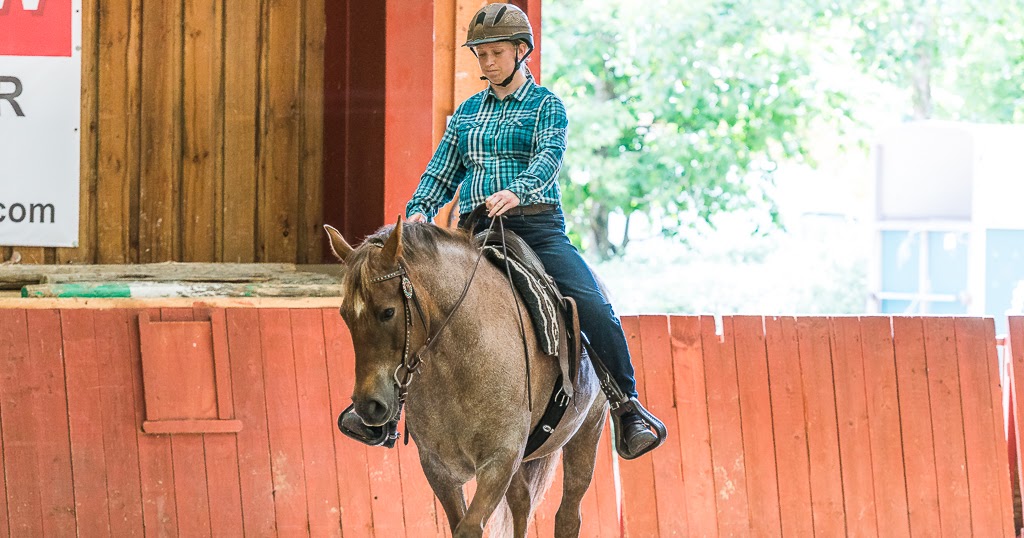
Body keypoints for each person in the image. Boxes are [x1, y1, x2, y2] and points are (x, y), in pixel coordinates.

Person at [402, 3, 663, 458]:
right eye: (480, 55)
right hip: (475, 230)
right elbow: (440, 172)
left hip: (535, 227)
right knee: (410, 300)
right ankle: (388, 414)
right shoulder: (465, 114)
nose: (486, 63)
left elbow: (548, 158)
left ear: (522, 51)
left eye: (496, 53)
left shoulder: (547, 106)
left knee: (594, 305)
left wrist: (518, 191)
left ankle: (627, 407)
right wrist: (419, 211)